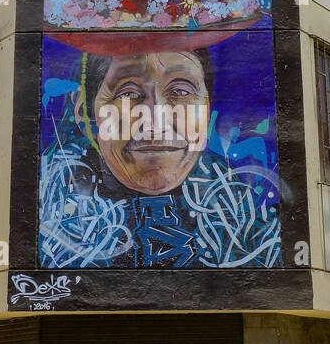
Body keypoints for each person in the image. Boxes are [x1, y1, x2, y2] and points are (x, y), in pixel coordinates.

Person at [39, 44, 280, 269]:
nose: (156, 120)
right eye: (127, 93)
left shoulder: (241, 219)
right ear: (84, 110)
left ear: (207, 109)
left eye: (180, 91)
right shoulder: (49, 221)